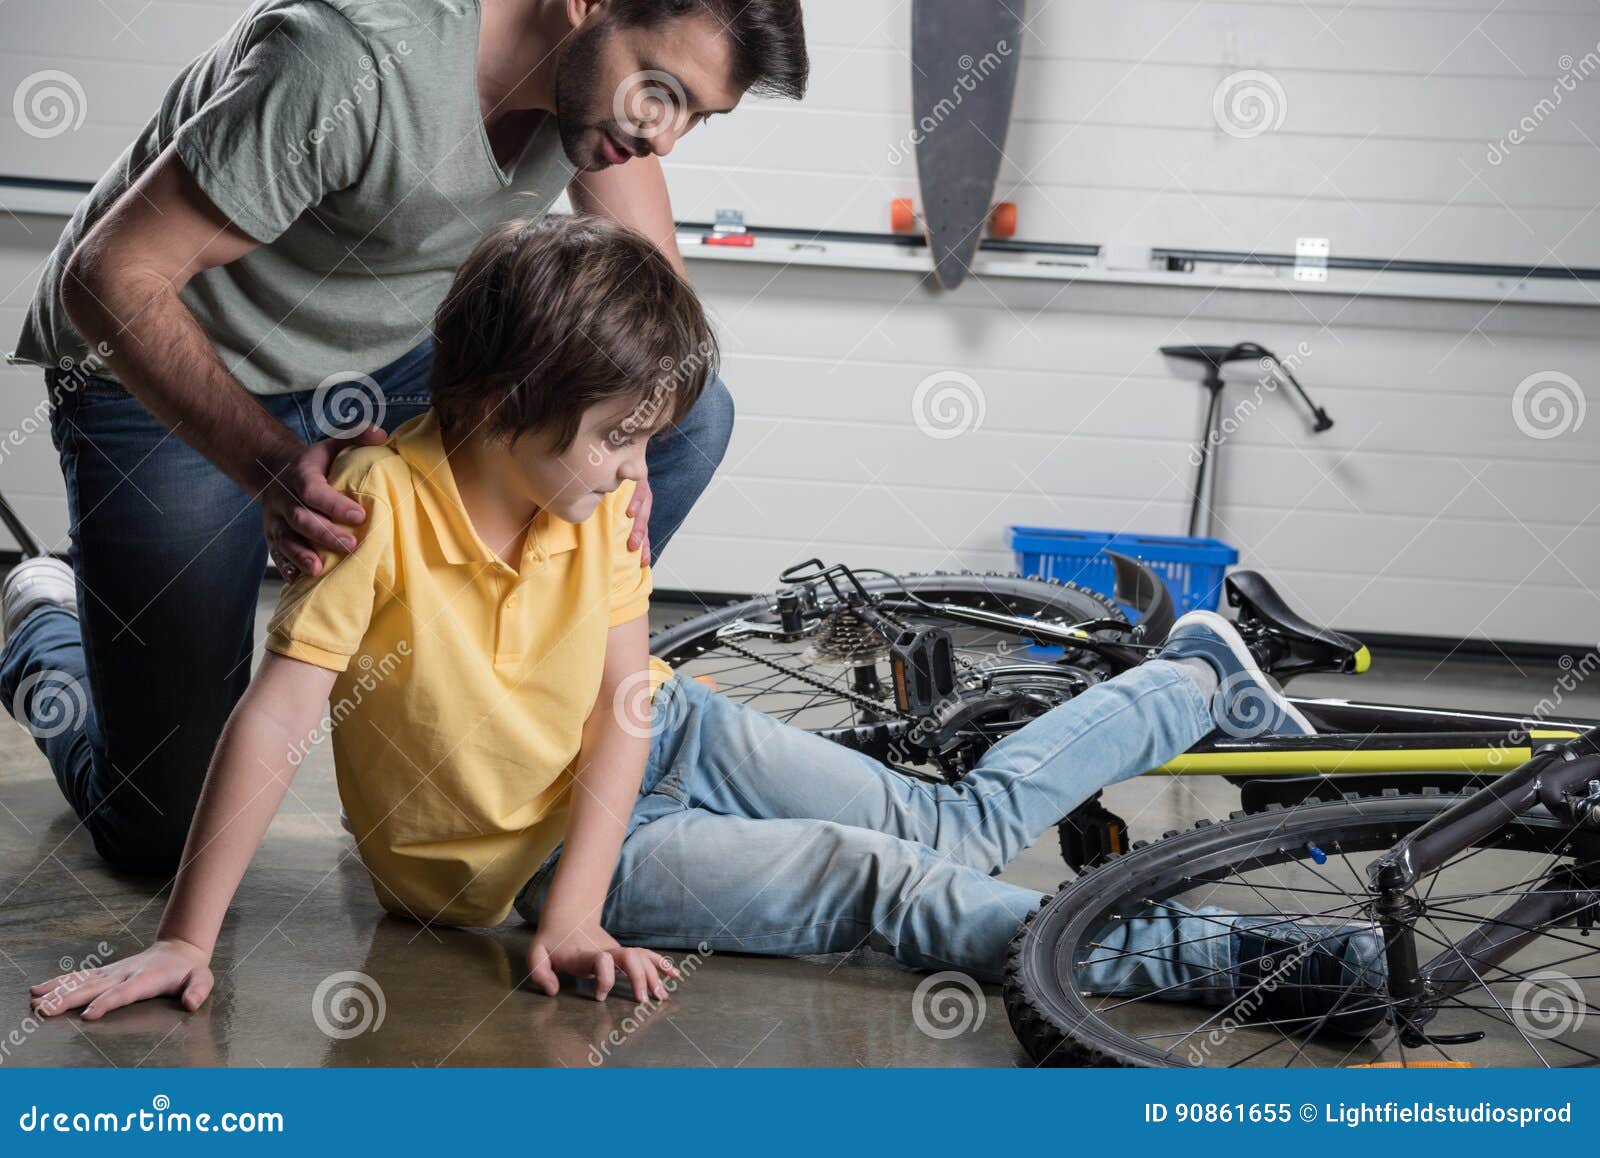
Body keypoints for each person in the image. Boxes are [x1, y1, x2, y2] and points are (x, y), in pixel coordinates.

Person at [25, 218, 1386, 1031]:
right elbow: (275, 721)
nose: (635, 471)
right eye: (615, 438)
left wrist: (577, 904)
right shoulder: (382, 505)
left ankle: (1188, 677)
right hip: (528, 855)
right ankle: (1262, 966)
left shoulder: (594, 513)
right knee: (896, 890)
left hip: (648, 743)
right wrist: (193, 940)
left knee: (942, 822)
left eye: (641, 442)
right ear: (505, 404)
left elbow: (631, 702)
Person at [0, 0, 809, 876]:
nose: (667, 137)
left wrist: (640, 445)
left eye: (698, 115)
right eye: (664, 92)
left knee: (690, 421)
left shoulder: (603, 108)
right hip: (162, 365)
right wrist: (274, 469)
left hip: (377, 365)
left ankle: (453, 730)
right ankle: (43, 615)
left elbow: (661, 338)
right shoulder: (350, 58)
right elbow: (110, 276)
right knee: (159, 835)